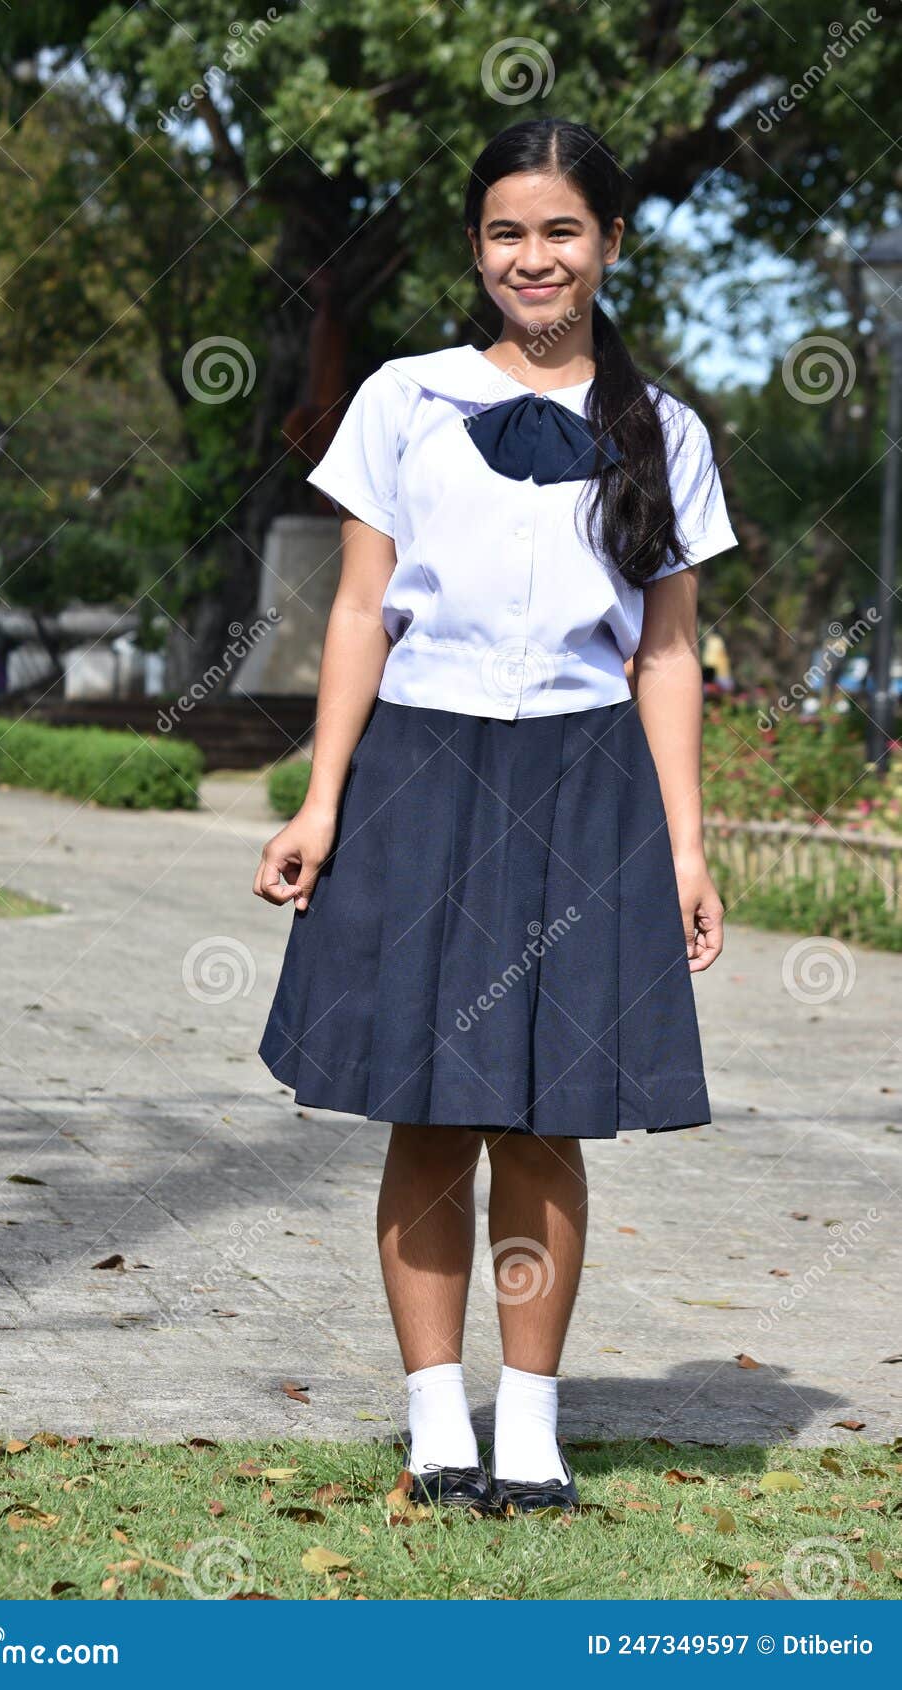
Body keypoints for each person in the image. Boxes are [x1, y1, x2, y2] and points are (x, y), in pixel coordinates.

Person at [254, 117, 736, 1518]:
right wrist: (320, 799)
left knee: (544, 1118)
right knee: (426, 1112)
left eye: (562, 230)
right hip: (419, 771)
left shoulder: (668, 432)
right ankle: (434, 1428)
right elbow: (360, 610)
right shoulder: (402, 400)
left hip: (587, 786)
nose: (536, 257)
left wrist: (686, 846)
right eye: (508, 232)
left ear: (610, 245)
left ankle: (529, 1430)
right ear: (477, 248)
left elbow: (665, 657)